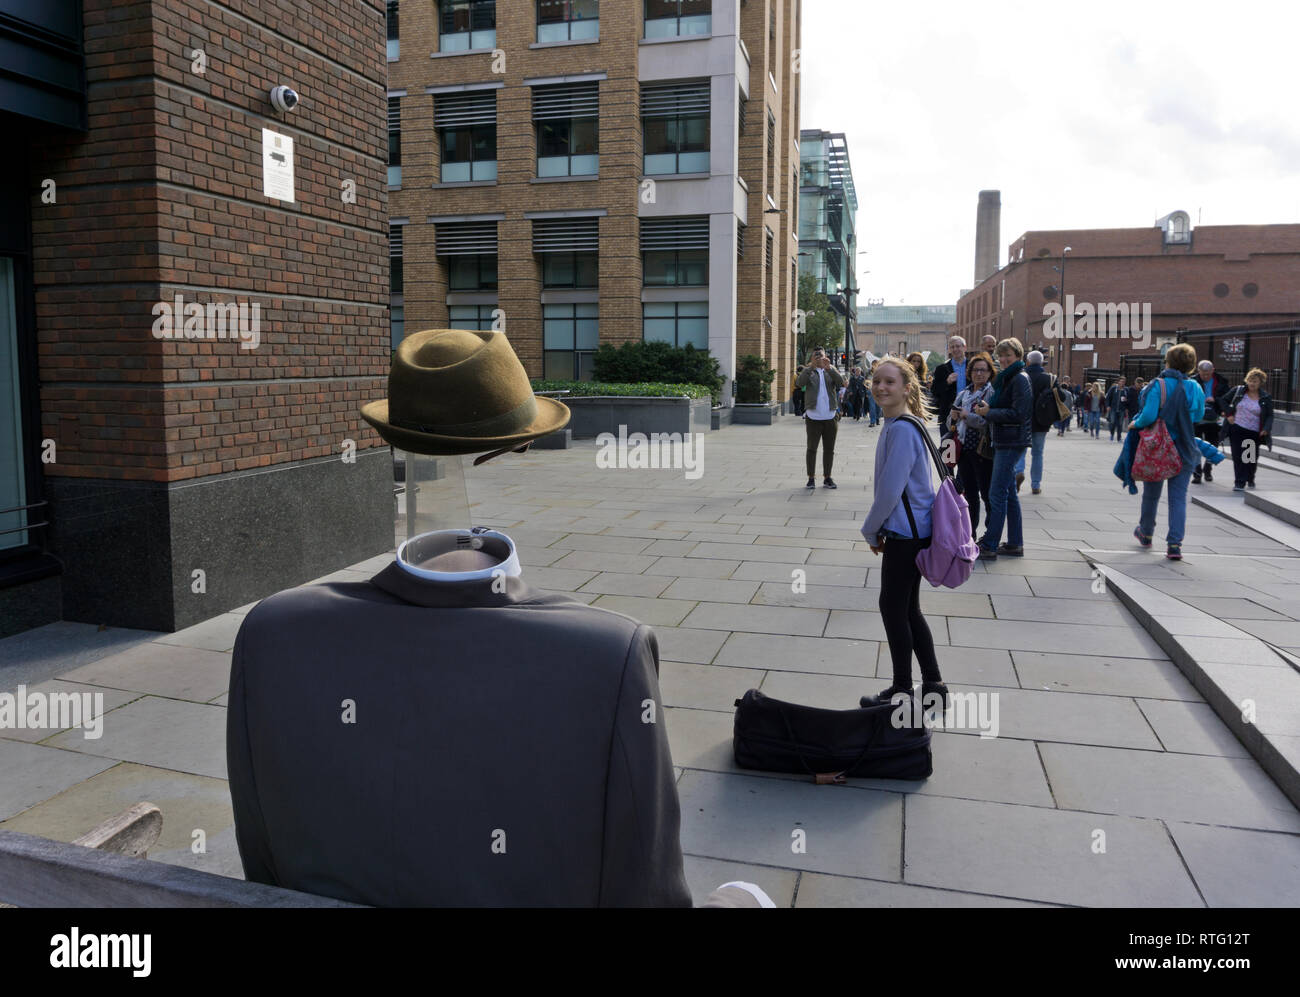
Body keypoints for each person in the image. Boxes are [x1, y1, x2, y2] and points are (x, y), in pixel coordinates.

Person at [857, 357, 948, 710]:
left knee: (893, 608)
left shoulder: (902, 429)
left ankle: (901, 689)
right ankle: (933, 684)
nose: (881, 387)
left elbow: (890, 491)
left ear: (906, 388)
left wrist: (870, 529)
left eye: (890, 382)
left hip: (906, 534)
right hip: (914, 531)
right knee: (908, 609)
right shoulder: (900, 424)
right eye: (877, 381)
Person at [1131, 343, 1204, 561]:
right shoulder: (1195, 388)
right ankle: (1174, 544)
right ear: (1191, 365)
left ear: (1168, 362)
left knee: (1151, 495)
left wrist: (1134, 424)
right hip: (1185, 447)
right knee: (1178, 497)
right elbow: (1198, 416)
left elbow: (1148, 416)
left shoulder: (1158, 385)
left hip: (1159, 448)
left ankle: (1146, 533)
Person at [972, 338, 1032, 560]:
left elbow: (1019, 414)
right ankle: (1015, 543)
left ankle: (989, 544)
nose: (1004, 359)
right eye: (1001, 355)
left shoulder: (1019, 379)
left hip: (1011, 442)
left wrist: (990, 413)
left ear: (1018, 355)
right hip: (1006, 440)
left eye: (1008, 355)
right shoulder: (1009, 378)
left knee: (996, 494)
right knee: (1009, 495)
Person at [949, 351, 995, 540]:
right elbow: (949, 423)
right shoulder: (963, 394)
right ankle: (970, 534)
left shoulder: (991, 393)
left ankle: (990, 534)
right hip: (964, 450)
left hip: (983, 450)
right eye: (976, 370)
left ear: (990, 372)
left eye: (983, 370)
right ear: (970, 372)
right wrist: (952, 417)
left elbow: (987, 422)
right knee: (969, 495)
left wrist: (967, 416)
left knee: (987, 494)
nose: (979, 374)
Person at [794, 348, 845, 489]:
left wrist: (830, 368)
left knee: (829, 449)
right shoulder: (809, 371)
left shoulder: (831, 370)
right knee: (812, 449)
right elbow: (799, 383)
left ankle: (827, 477)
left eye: (821, 356)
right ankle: (811, 478)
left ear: (826, 357)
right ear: (812, 358)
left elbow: (842, 382)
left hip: (830, 416)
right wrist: (810, 366)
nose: (819, 359)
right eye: (816, 356)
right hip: (813, 416)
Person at [1221, 368, 1274, 492]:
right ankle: (1239, 482)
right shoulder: (1238, 391)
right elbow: (1223, 400)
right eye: (1250, 380)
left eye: (1255, 381)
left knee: (1250, 457)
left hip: (1253, 431)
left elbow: (1270, 415)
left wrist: (1266, 428)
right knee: (1238, 456)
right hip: (1237, 428)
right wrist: (1229, 415)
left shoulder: (1265, 397)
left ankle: (1250, 477)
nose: (1252, 383)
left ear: (1260, 383)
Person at [1192, 360, 1230, 484]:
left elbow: (1227, 398)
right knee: (1195, 445)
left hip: (1214, 418)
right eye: (1203, 374)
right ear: (1198, 371)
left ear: (1213, 370)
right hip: (1197, 418)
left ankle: (1208, 469)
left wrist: (1215, 400)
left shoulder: (1222, 382)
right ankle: (1197, 473)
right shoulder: (1192, 381)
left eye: (1208, 374)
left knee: (1213, 445)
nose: (1206, 376)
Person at [1023, 350, 1055, 494]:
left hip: (1023, 419)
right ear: (1042, 362)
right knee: (1038, 453)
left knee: (1020, 450)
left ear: (1027, 362)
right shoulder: (1048, 378)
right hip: (1042, 421)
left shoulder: (1022, 376)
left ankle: (1018, 473)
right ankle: (1035, 484)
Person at [930, 336, 968, 430]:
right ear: (949, 350)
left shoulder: (973, 366)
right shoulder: (941, 369)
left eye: (958, 346)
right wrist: (947, 382)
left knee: (968, 444)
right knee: (948, 444)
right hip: (948, 414)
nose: (955, 349)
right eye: (952, 347)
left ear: (964, 347)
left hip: (969, 413)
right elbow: (934, 390)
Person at [1105, 377, 1128, 441]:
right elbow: (1108, 398)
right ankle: (1112, 434)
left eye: (1123, 382)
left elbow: (1128, 399)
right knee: (1112, 422)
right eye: (1121, 381)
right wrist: (1108, 406)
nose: (1122, 383)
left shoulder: (1126, 390)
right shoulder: (1113, 389)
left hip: (1122, 409)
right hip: (1113, 409)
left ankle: (1119, 437)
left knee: (1120, 424)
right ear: (1118, 382)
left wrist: (1126, 401)